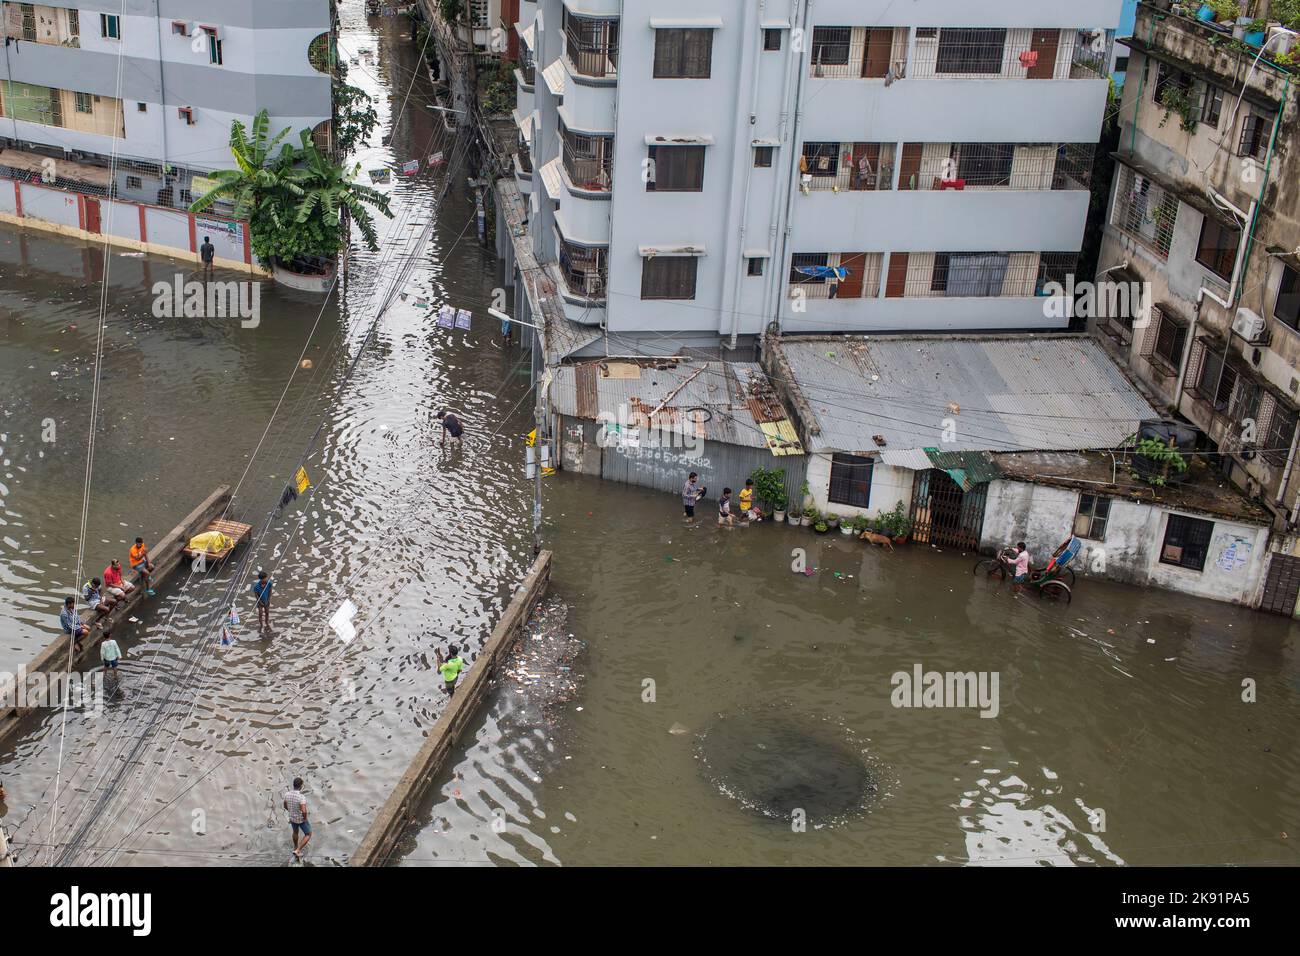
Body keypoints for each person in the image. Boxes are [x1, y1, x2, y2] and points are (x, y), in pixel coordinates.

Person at [283, 777, 312, 860]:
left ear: (294, 785)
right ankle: (298, 850)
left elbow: (285, 805)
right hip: (301, 819)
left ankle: (295, 847)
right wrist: (305, 818)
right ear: (301, 786)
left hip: (292, 818)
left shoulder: (287, 794)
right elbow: (304, 811)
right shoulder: (301, 797)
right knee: (308, 834)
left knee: (295, 832)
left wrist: (290, 811)